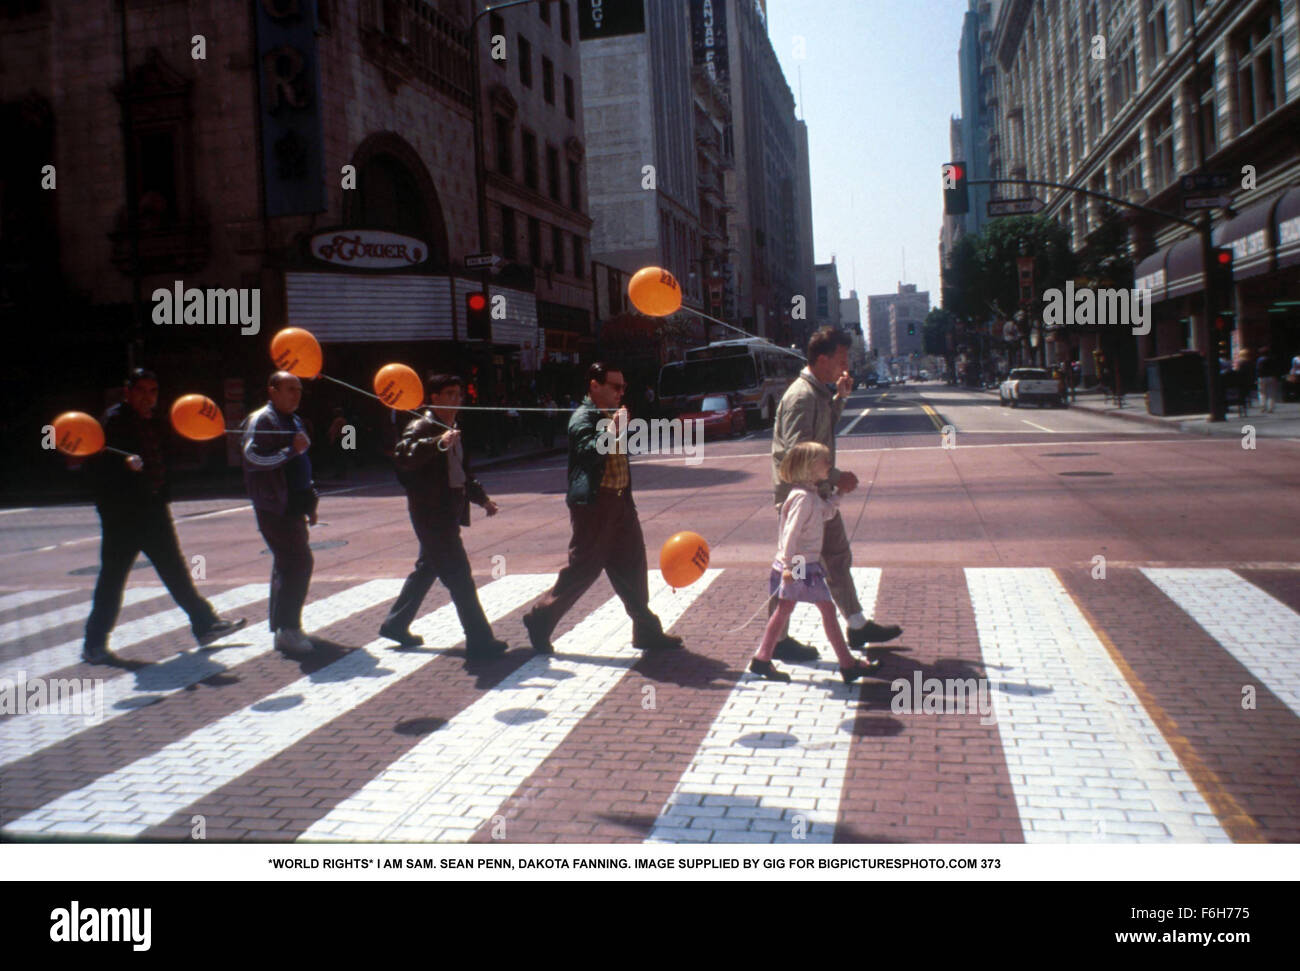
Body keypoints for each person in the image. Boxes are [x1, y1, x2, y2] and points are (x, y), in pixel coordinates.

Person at [81, 368, 246, 664]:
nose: (148, 397)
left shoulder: (152, 421)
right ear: (127, 391)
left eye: (153, 391)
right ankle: (93, 644)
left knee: (176, 571)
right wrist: (122, 466)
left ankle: (205, 624)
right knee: (113, 580)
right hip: (123, 517)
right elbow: (93, 466)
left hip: (153, 509)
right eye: (142, 390)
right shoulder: (113, 421)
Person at [522, 362, 682, 654]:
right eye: (615, 387)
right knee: (584, 568)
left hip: (620, 501)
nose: (621, 392)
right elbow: (587, 452)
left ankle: (646, 630)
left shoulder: (610, 414)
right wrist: (614, 429)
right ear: (595, 386)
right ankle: (540, 618)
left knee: (633, 565)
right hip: (595, 506)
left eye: (624, 387)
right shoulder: (583, 417)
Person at [769, 326, 901, 664]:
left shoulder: (818, 393)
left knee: (838, 557)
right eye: (841, 359)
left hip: (818, 493)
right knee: (794, 567)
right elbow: (796, 453)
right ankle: (776, 642)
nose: (846, 365)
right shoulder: (802, 396)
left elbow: (822, 431)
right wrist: (838, 476)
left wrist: (840, 398)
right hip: (801, 499)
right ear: (823, 358)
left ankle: (856, 625)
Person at [378, 374, 508, 660]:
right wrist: (437, 443)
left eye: (458, 394)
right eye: (449, 394)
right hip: (431, 515)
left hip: (446, 513)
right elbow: (404, 456)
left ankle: (395, 624)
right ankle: (480, 639)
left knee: (427, 568)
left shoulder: (451, 428)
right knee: (460, 577)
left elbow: (461, 473)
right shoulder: (422, 425)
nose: (456, 399)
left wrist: (482, 499)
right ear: (433, 398)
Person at [750, 443, 880, 685]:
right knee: (826, 610)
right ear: (809, 468)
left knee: (784, 610)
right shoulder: (802, 499)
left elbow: (827, 512)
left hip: (801, 563)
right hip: (799, 563)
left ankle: (762, 658)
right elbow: (790, 534)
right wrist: (790, 566)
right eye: (825, 462)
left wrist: (839, 493)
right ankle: (847, 664)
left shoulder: (809, 495)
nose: (829, 466)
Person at [242, 371, 317, 656]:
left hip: (291, 505)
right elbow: (253, 458)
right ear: (272, 390)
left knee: (288, 564)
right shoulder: (263, 419)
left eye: (298, 390)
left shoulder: (293, 419)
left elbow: (301, 464)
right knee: (299, 562)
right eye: (289, 389)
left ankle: (283, 628)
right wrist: (289, 450)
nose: (295, 395)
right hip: (274, 506)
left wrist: (310, 502)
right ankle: (288, 628)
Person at [327, 407, 349, 479]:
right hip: (343, 439)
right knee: (342, 456)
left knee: (338, 456)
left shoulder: (337, 420)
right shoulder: (344, 420)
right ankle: (342, 473)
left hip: (338, 439)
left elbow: (333, 431)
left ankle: (339, 473)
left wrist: (331, 440)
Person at [1257, 347, 1279, 414]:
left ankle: (1263, 407)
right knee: (1271, 393)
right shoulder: (1272, 359)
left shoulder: (1259, 360)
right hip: (1271, 377)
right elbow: (1275, 368)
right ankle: (1270, 408)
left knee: (1262, 393)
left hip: (1262, 377)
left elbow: (1257, 370)